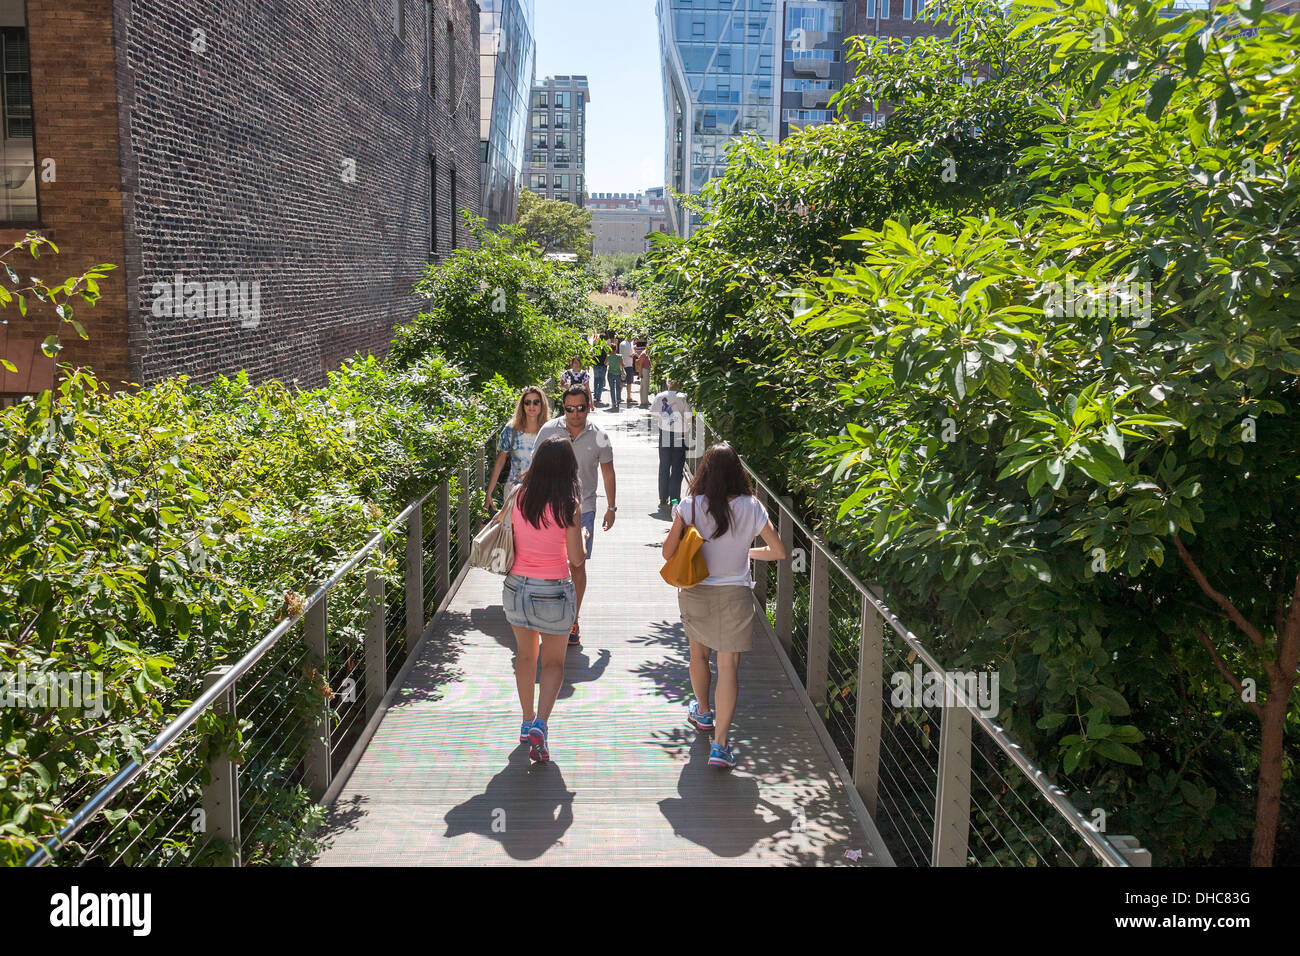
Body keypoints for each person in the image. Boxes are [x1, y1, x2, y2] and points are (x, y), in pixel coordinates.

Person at [661, 443, 787, 770]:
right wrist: (746, 553)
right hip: (735, 594)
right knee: (728, 669)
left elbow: (667, 553)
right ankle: (719, 745)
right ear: (737, 472)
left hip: (696, 590)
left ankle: (702, 712)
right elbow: (779, 552)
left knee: (698, 656)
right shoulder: (753, 507)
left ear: (705, 471)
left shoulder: (689, 506)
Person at [495, 437, 586, 763]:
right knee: (553, 664)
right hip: (553, 590)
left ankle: (525, 719)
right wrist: (580, 538)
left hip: (517, 586)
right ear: (568, 468)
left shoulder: (519, 495)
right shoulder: (568, 505)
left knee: (525, 658)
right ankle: (541, 725)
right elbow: (576, 559)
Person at [537, 385, 617, 647]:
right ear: (564, 408)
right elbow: (535, 468)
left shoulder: (600, 436)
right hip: (549, 508)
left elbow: (608, 472)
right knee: (550, 565)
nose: (575, 413)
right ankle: (550, 616)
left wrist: (612, 507)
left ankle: (573, 619)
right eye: (570, 408)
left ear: (589, 406)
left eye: (580, 408)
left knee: (577, 564)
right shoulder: (548, 430)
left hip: (584, 508)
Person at [485, 386, 547, 512]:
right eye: (527, 402)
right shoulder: (510, 430)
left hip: (542, 492)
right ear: (522, 405)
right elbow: (500, 461)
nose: (532, 406)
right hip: (514, 492)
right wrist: (489, 493)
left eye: (536, 402)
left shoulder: (548, 430)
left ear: (542, 404)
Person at [652, 381, 691, 511]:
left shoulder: (659, 396)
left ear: (668, 383)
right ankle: (674, 498)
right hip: (680, 433)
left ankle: (663, 497)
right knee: (677, 467)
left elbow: (654, 415)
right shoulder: (683, 397)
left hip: (665, 433)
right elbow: (689, 417)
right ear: (679, 384)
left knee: (664, 465)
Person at [605, 336, 623, 411]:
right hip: (618, 373)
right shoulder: (619, 356)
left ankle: (613, 402)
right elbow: (622, 365)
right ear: (616, 349)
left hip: (610, 373)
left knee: (612, 388)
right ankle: (618, 400)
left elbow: (605, 363)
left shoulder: (608, 356)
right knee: (618, 387)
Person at [592, 335, 608, 406]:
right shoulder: (605, 347)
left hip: (596, 365)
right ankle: (598, 397)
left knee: (596, 380)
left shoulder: (596, 346)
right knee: (601, 381)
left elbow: (592, 355)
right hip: (603, 366)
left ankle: (595, 395)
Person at [619, 334, 634, 406]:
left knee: (622, 381)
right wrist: (635, 354)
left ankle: (618, 396)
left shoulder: (621, 343)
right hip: (628, 364)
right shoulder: (628, 345)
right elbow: (631, 355)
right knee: (629, 382)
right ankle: (628, 397)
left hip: (622, 364)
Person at [636, 342, 652, 407]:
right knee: (644, 386)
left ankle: (645, 400)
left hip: (646, 370)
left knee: (646, 386)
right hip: (644, 370)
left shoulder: (647, 353)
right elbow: (640, 364)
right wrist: (640, 373)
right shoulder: (644, 353)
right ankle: (644, 401)